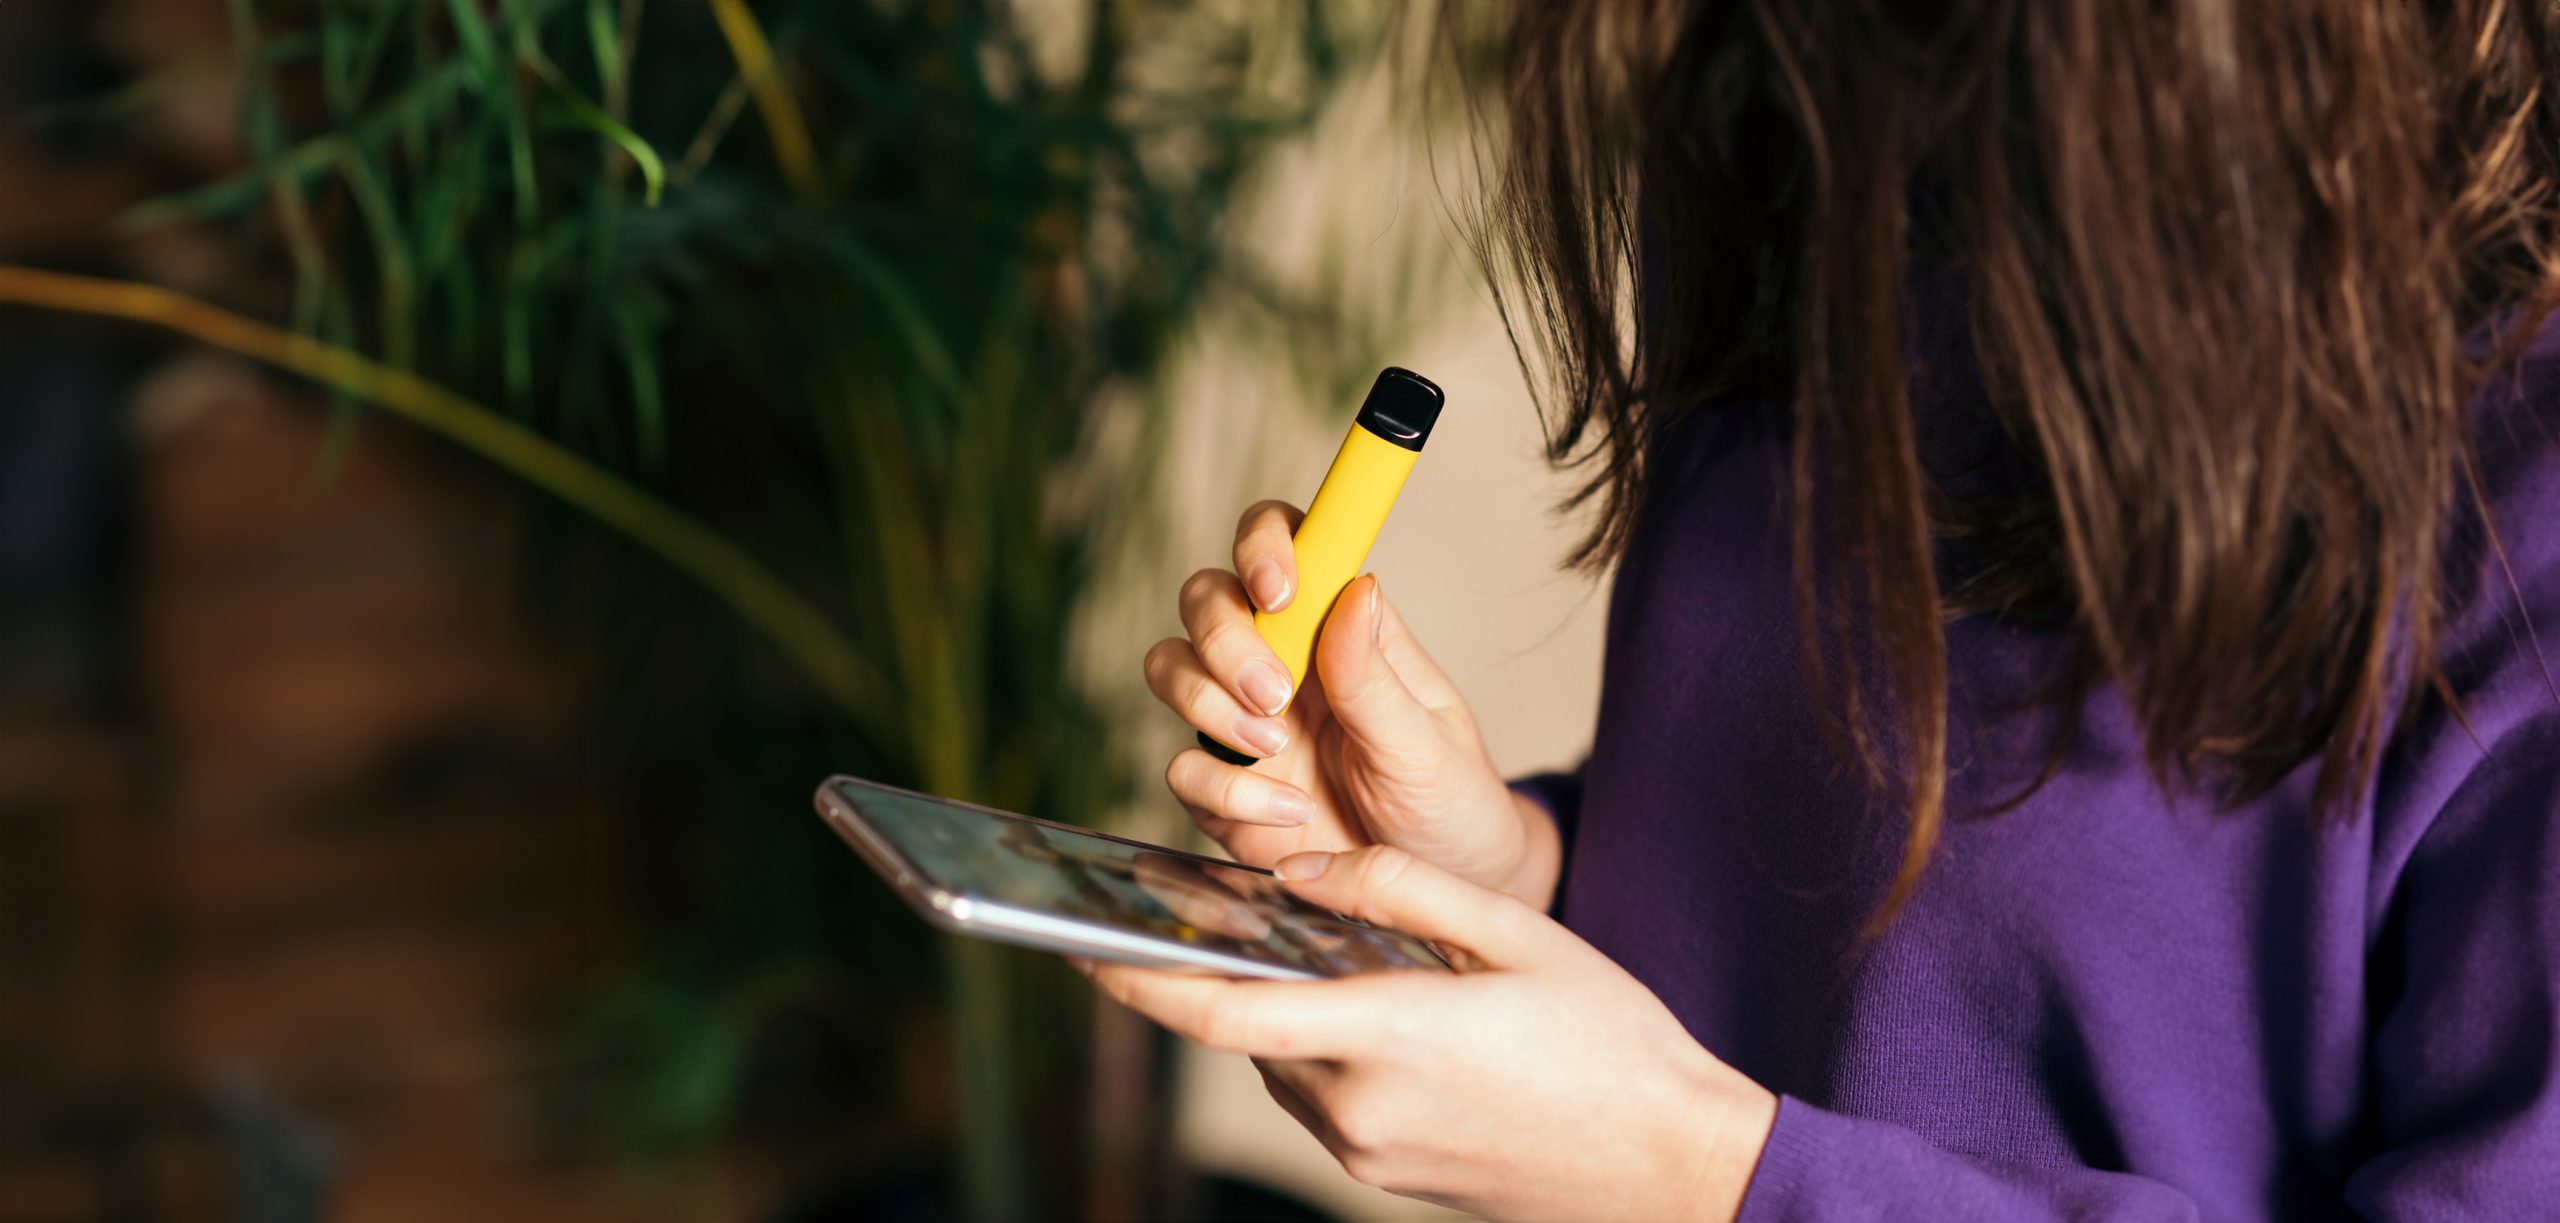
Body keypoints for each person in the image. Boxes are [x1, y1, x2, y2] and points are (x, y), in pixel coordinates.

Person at [1081, 1, 2560, 1217]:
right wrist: (1504, 872)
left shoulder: (2523, 475)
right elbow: (1871, 916)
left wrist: (1706, 1176)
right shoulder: (1784, 134)